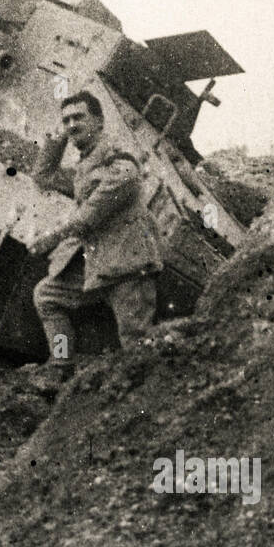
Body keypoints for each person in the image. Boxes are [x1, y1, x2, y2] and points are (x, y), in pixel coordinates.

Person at [28, 90, 162, 380]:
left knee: (136, 346)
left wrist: (52, 238)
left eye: (79, 117)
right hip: (100, 267)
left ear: (100, 122)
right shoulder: (86, 164)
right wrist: (58, 138)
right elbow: (43, 177)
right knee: (47, 296)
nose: (72, 124)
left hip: (128, 267)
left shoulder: (119, 159)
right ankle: (61, 363)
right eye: (67, 119)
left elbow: (90, 213)